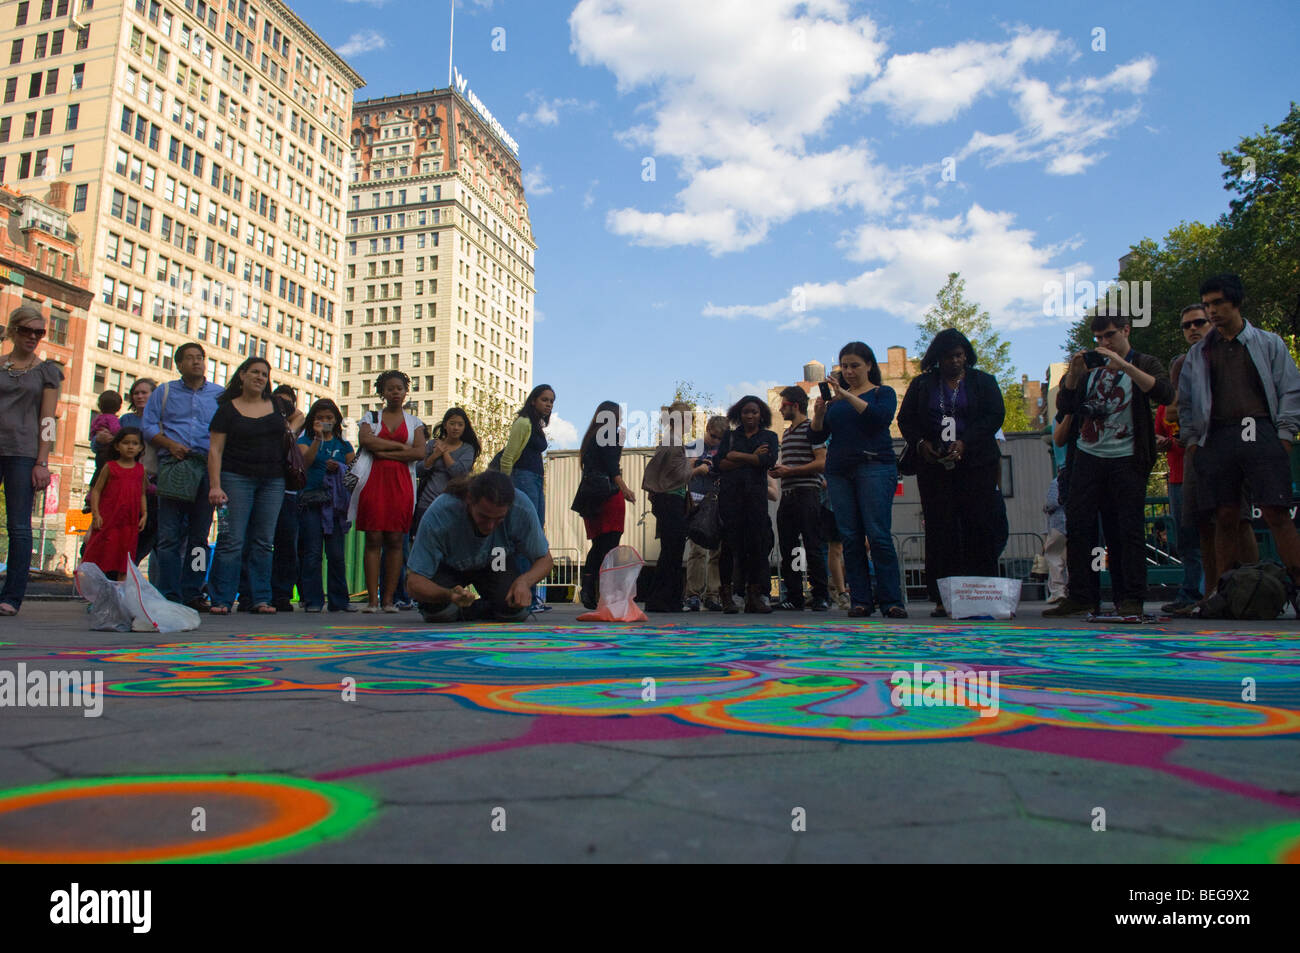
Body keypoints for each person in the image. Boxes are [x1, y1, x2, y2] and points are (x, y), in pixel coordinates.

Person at [1177, 273, 1300, 602]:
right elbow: (1185, 401)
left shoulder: (1268, 342)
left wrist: (1285, 434)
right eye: (1207, 305)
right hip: (1217, 435)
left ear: (1236, 303)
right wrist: (1192, 441)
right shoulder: (1200, 353)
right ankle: (1223, 593)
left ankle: (1297, 586)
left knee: (1276, 512)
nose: (1212, 311)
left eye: (1218, 303)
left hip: (1261, 428)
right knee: (1225, 515)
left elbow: (1290, 388)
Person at [1045, 305, 1173, 617]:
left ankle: (1130, 596)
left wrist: (1122, 365)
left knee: (1126, 530)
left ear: (1126, 330)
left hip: (1127, 458)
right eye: (1099, 337)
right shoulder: (1091, 369)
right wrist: (1074, 376)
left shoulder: (1143, 362)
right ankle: (1082, 595)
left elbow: (1165, 393)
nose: (1105, 342)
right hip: (1088, 457)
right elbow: (1065, 405)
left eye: (1110, 335)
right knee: (1080, 526)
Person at [899, 330, 1005, 618]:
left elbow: (995, 415)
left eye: (960, 356)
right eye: (948, 357)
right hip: (935, 468)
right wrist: (922, 443)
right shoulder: (922, 385)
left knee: (979, 527)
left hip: (976, 465)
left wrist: (965, 442)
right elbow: (905, 418)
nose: (955, 361)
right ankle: (943, 597)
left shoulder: (983, 382)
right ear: (937, 358)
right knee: (941, 529)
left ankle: (981, 595)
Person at [815, 342, 907, 618]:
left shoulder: (883, 393)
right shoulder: (836, 403)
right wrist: (820, 414)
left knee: (877, 535)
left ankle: (892, 600)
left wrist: (845, 394)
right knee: (850, 538)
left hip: (874, 466)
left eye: (855, 365)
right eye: (844, 366)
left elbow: (879, 419)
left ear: (869, 365)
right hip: (840, 471)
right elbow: (817, 437)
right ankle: (861, 600)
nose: (849, 371)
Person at [407, 470, 554, 623]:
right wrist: (448, 594)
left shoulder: (521, 507)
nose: (490, 526)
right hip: (449, 567)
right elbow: (414, 582)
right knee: (437, 612)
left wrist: (524, 581)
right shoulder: (441, 513)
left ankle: (472, 610)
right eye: (483, 517)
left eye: (499, 519)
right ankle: (468, 608)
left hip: (496, 562)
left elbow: (545, 560)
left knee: (514, 609)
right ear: (469, 500)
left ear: (509, 508)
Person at [142, 343, 223, 610]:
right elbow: (147, 426)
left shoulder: (219, 395)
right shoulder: (163, 392)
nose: (196, 362)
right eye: (189, 358)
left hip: (206, 468)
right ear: (178, 364)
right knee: (168, 536)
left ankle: (193, 590)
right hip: (173, 466)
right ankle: (168, 591)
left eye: (200, 358)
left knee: (199, 537)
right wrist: (168, 444)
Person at [205, 357, 288, 615]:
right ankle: (221, 599)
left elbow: (298, 418)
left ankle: (260, 599)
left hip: (273, 480)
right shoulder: (227, 410)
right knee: (231, 540)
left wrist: (291, 430)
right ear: (242, 375)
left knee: (264, 541)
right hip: (234, 479)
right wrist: (215, 486)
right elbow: (215, 450)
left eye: (264, 374)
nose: (260, 377)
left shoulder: (277, 404)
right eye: (254, 372)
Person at [0, 305, 63, 615]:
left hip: (23, 453)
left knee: (20, 526)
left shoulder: (46, 371)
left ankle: (11, 597)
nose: (33, 337)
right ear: (14, 330)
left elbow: (48, 419)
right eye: (27, 331)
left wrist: (42, 461)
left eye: (39, 333)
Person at [349, 370, 426, 612]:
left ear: (406, 392)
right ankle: (373, 600)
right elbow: (367, 442)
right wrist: (401, 447)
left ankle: (389, 599)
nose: (395, 392)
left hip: (402, 483)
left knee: (395, 539)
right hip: (374, 480)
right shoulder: (370, 417)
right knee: (373, 538)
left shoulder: (415, 423)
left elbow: (419, 453)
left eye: (399, 388)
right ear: (382, 392)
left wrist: (384, 450)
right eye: (390, 388)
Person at [715, 395, 779, 614]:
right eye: (746, 412)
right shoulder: (730, 436)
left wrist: (737, 456)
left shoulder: (769, 436)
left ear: (761, 414)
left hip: (756, 499)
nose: (750, 415)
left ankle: (754, 596)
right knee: (729, 546)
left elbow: (767, 462)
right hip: (731, 498)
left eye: (754, 411)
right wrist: (752, 457)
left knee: (757, 546)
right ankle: (727, 596)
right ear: (738, 414)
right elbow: (720, 464)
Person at [772, 386, 831, 611]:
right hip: (787, 496)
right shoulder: (786, 433)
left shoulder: (811, 429)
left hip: (807, 494)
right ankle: (794, 596)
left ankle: (820, 595)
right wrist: (780, 471)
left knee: (812, 545)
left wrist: (789, 471)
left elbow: (822, 462)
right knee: (789, 548)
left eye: (783, 404)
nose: (780, 409)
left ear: (795, 406)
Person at [500, 384, 555, 613]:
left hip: (535, 480)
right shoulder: (523, 423)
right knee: (525, 536)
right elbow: (507, 457)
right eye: (544, 399)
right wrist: (504, 490)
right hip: (521, 479)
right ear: (533, 400)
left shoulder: (537, 426)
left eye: (551, 401)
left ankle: (531, 595)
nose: (548, 404)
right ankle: (526, 596)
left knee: (536, 535)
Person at [297, 398, 356, 613]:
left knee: (336, 555)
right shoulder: (304, 441)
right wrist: (318, 440)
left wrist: (339, 467)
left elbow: (353, 474)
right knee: (312, 553)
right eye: (320, 418)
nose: (324, 421)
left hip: (336, 506)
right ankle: (312, 600)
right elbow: (304, 463)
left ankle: (339, 600)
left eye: (329, 418)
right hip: (311, 502)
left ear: (336, 421)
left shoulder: (344, 445)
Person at [577, 400, 637, 609]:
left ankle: (588, 587)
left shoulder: (591, 436)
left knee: (598, 545)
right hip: (608, 494)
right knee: (610, 545)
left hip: (590, 495)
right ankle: (605, 592)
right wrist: (625, 489)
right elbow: (613, 468)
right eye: (618, 415)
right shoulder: (610, 433)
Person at [642, 402, 693, 613]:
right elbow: (675, 475)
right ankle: (662, 598)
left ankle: (668, 598)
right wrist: (697, 469)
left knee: (671, 550)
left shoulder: (671, 440)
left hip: (670, 500)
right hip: (671, 500)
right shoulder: (673, 442)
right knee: (672, 551)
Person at [80, 428, 148, 580]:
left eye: (135, 443)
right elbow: (96, 491)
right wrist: (96, 514)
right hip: (108, 520)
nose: (130, 447)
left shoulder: (140, 470)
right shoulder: (110, 467)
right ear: (117, 446)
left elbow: (142, 493)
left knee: (124, 561)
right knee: (102, 555)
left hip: (129, 523)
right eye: (126, 443)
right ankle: (98, 596)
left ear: (141, 448)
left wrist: (144, 514)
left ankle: (120, 598)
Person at [683, 415, 727, 611]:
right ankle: (693, 593)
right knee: (697, 550)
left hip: (717, 501)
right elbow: (682, 473)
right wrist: (697, 466)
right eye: (713, 436)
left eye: (720, 438)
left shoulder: (726, 449)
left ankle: (713, 593)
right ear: (707, 428)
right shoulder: (693, 447)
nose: (715, 441)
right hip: (697, 500)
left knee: (717, 551)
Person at [118, 379, 160, 576]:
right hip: (126, 484)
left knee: (149, 532)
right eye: (136, 393)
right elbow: (109, 449)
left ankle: (132, 572)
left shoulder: (162, 421)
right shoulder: (126, 420)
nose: (140, 396)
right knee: (123, 533)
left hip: (152, 483)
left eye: (145, 392)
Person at [415, 408, 480, 530]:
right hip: (427, 503)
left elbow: (459, 474)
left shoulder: (467, 449)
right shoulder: (432, 444)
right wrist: (434, 456)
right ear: (445, 425)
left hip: (454, 504)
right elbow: (418, 470)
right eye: (452, 423)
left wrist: (444, 453)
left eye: (460, 425)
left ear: (464, 427)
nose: (456, 428)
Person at [1042, 476, 1068, 603]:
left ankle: (1058, 591)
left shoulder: (1057, 482)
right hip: (1075, 524)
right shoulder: (1080, 478)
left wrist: (1045, 507)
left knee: (1054, 557)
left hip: (1058, 525)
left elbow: (1053, 503)